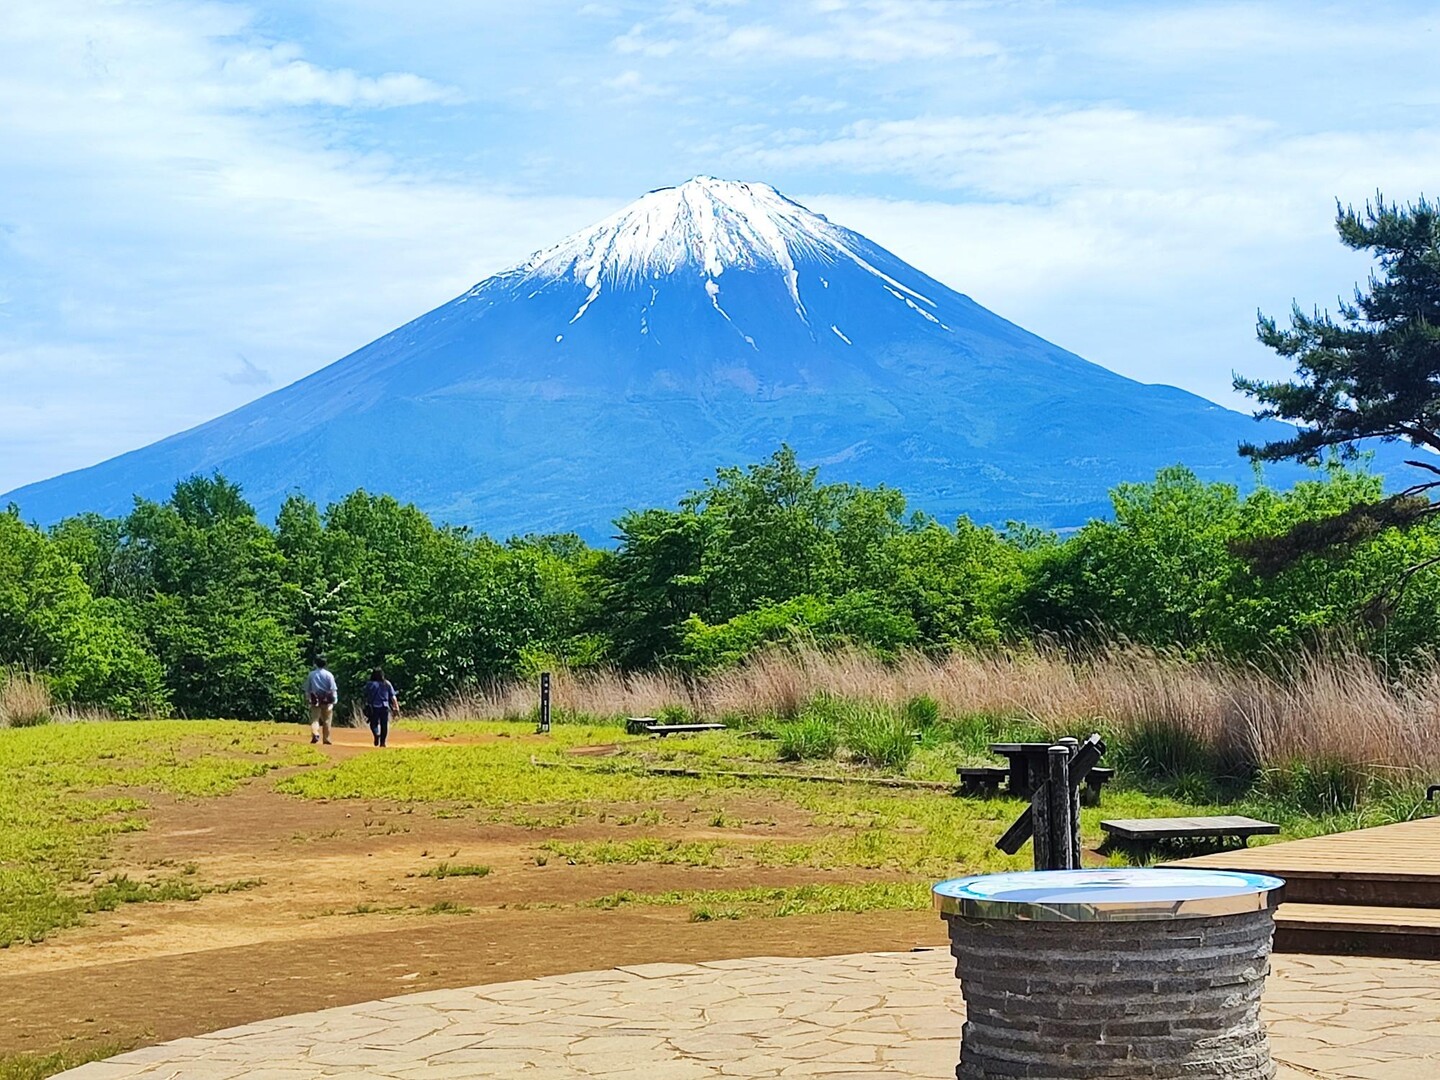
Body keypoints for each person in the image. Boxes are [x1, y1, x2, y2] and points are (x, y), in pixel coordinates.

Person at [362, 667, 399, 747]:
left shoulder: (370, 684)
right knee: (384, 725)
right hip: (385, 706)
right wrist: (396, 707)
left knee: (373, 723)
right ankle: (383, 743)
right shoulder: (387, 683)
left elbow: (365, 694)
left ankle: (376, 734)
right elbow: (393, 696)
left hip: (374, 706)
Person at [305, 657, 339, 745]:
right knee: (327, 720)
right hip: (327, 700)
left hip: (315, 699)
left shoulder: (311, 674)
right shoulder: (329, 675)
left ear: (316, 664)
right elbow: (333, 688)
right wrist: (334, 700)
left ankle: (315, 733)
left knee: (315, 719)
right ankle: (326, 739)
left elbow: (307, 689)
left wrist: (308, 698)